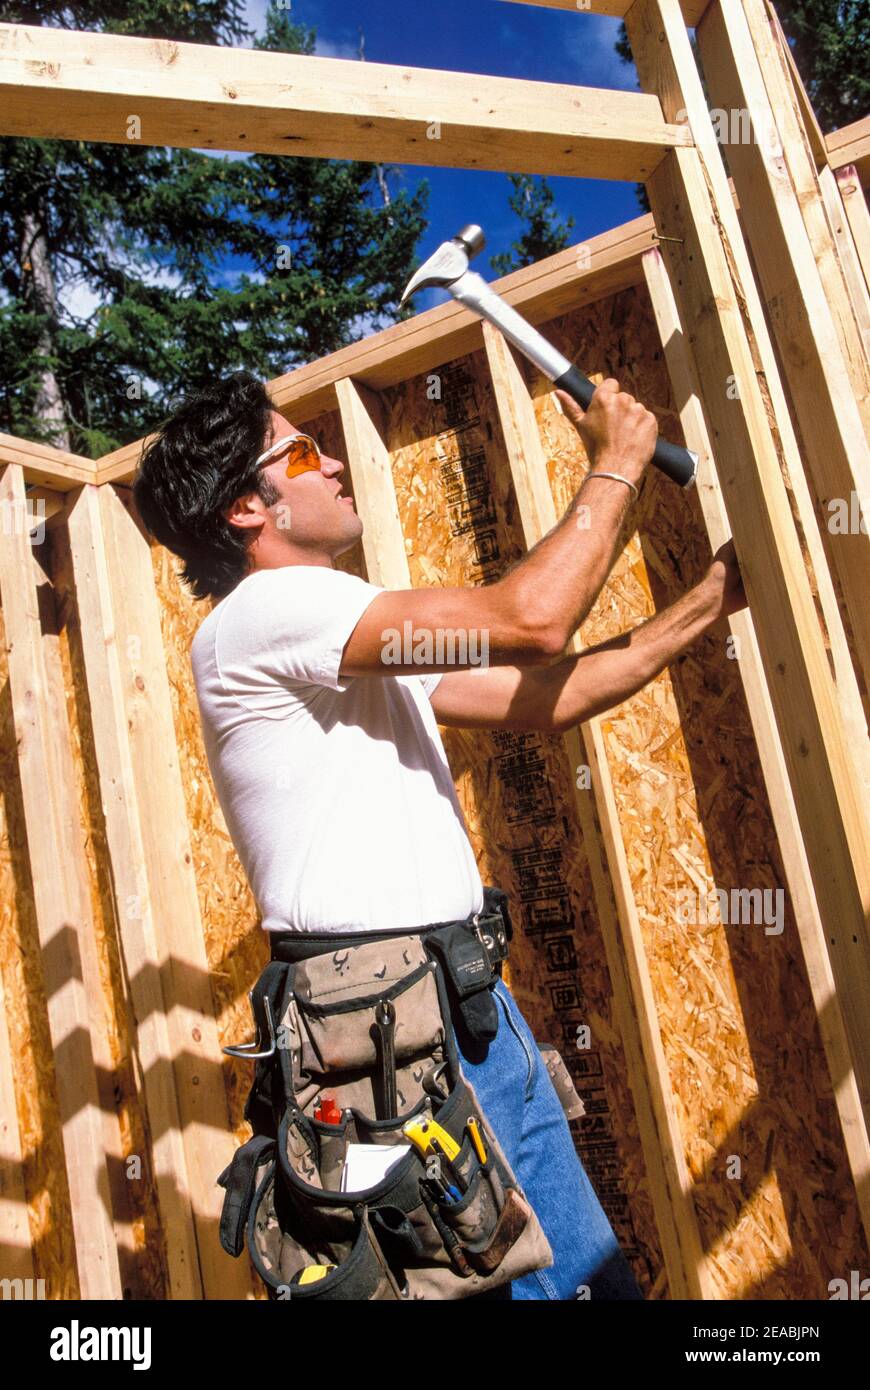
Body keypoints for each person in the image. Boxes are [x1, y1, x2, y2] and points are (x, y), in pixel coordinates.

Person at [132, 368, 747, 1300]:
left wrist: (710, 598)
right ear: (243, 510)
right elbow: (530, 622)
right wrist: (618, 465)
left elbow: (548, 696)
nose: (333, 462)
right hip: (390, 1026)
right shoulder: (268, 614)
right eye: (301, 450)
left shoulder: (341, 638)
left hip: (455, 1002)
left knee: (587, 1281)